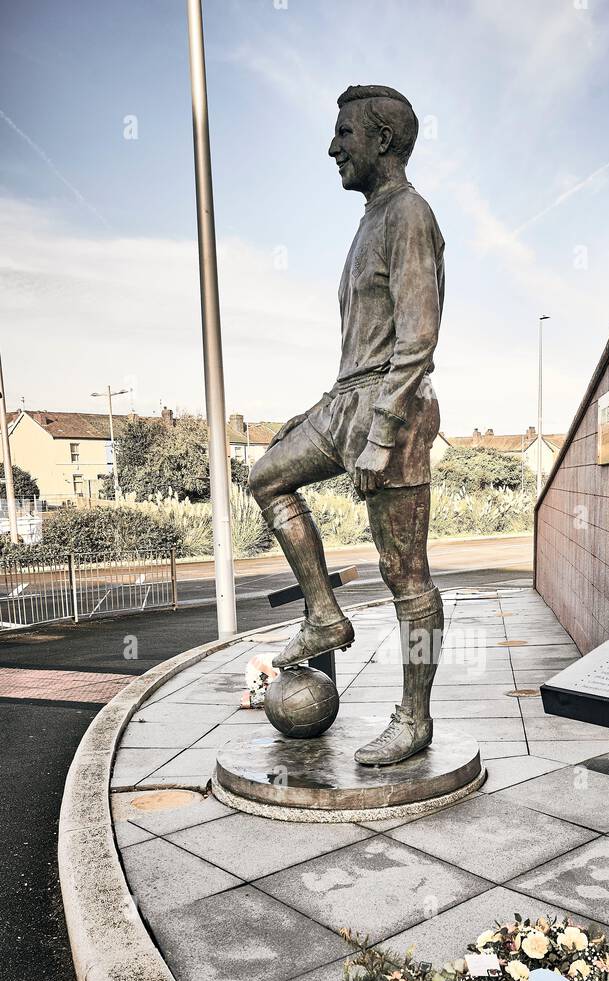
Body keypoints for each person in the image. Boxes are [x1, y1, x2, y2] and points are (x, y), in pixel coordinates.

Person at [250, 83, 445, 768]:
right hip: (346, 401)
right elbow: (361, 347)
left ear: (382, 141)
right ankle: (324, 613)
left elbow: (417, 341)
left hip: (392, 407)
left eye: (345, 134)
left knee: (405, 574)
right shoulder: (369, 219)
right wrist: (315, 413)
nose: (333, 147)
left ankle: (414, 719)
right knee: (268, 475)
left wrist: (384, 432)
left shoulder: (410, 215)